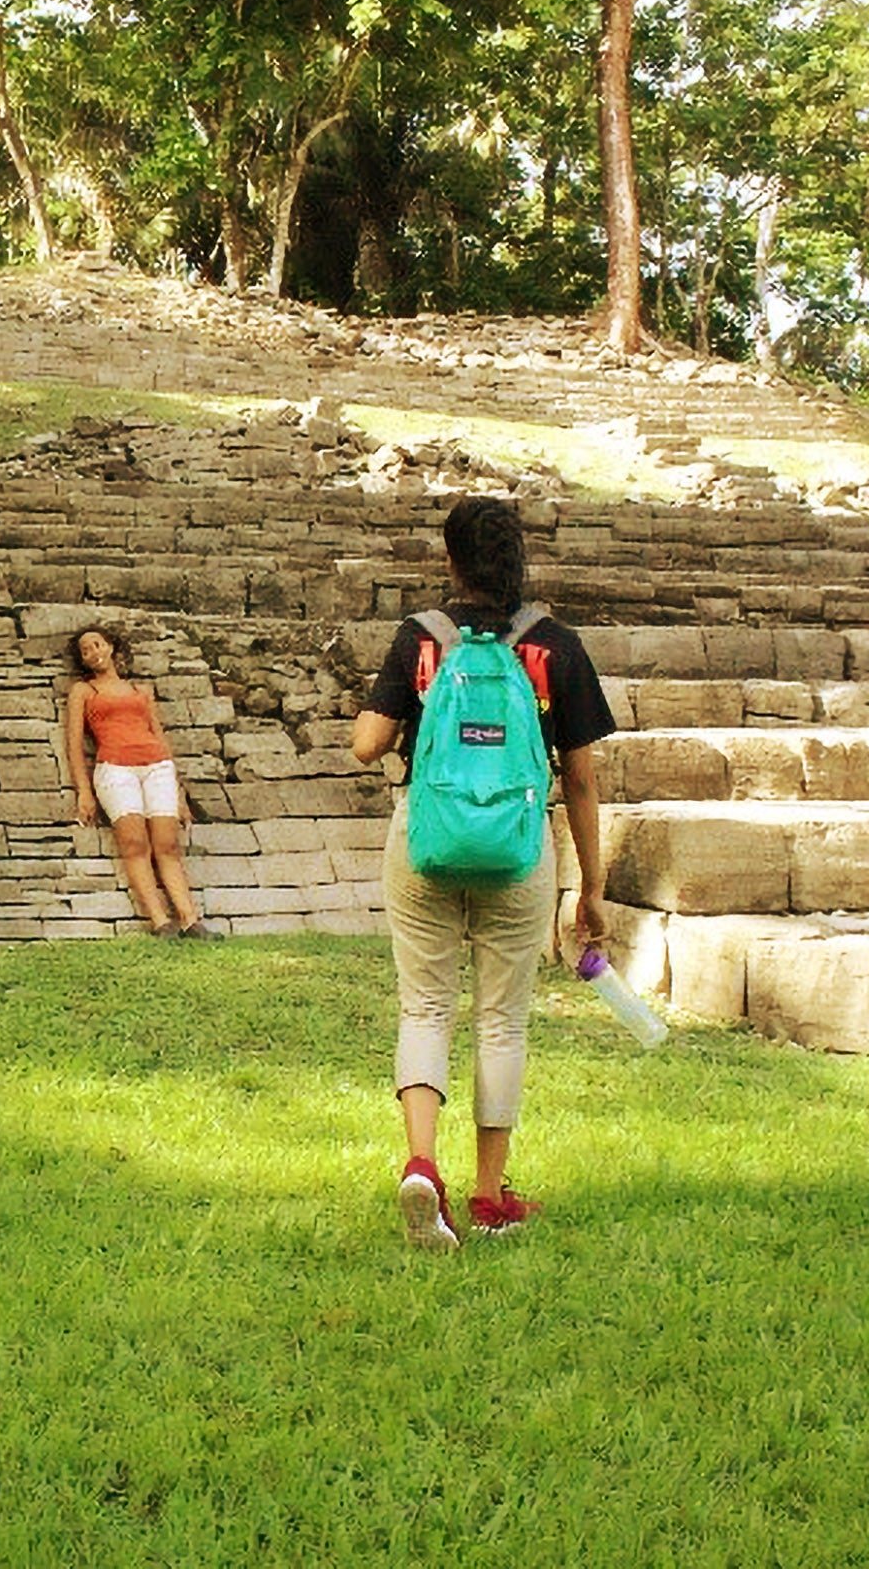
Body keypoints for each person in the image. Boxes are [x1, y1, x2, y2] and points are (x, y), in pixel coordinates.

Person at [349, 496, 615, 1251]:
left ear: (451, 562)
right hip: (519, 849)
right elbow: (584, 780)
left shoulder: (422, 639)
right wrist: (589, 886)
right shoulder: (555, 645)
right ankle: (492, 1197)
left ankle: (422, 1167)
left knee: (425, 1007)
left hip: (424, 841)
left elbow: (367, 745)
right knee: (501, 1020)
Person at [62, 624, 213, 938]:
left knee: (167, 845)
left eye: (97, 645)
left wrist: (179, 793)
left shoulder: (141, 691)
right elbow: (74, 745)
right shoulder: (83, 691)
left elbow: (159, 736)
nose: (93, 653)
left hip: (156, 766)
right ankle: (160, 921)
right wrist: (84, 792)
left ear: (111, 647)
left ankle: (190, 919)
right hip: (116, 769)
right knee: (135, 844)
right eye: (85, 651)